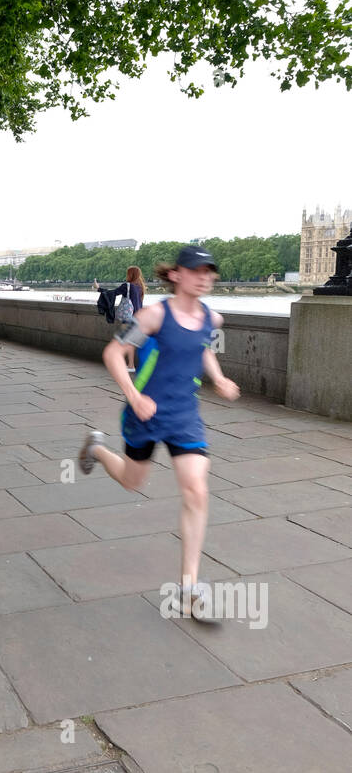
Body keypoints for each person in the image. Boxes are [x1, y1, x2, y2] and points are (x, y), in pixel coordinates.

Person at [79, 247, 240, 620]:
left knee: (196, 490)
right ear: (177, 275)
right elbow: (113, 354)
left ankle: (189, 588)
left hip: (185, 416)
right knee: (132, 481)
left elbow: (203, 349)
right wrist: (134, 397)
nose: (205, 277)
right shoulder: (153, 315)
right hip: (145, 414)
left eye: (210, 271)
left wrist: (217, 378)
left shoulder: (211, 317)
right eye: (197, 270)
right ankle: (98, 449)